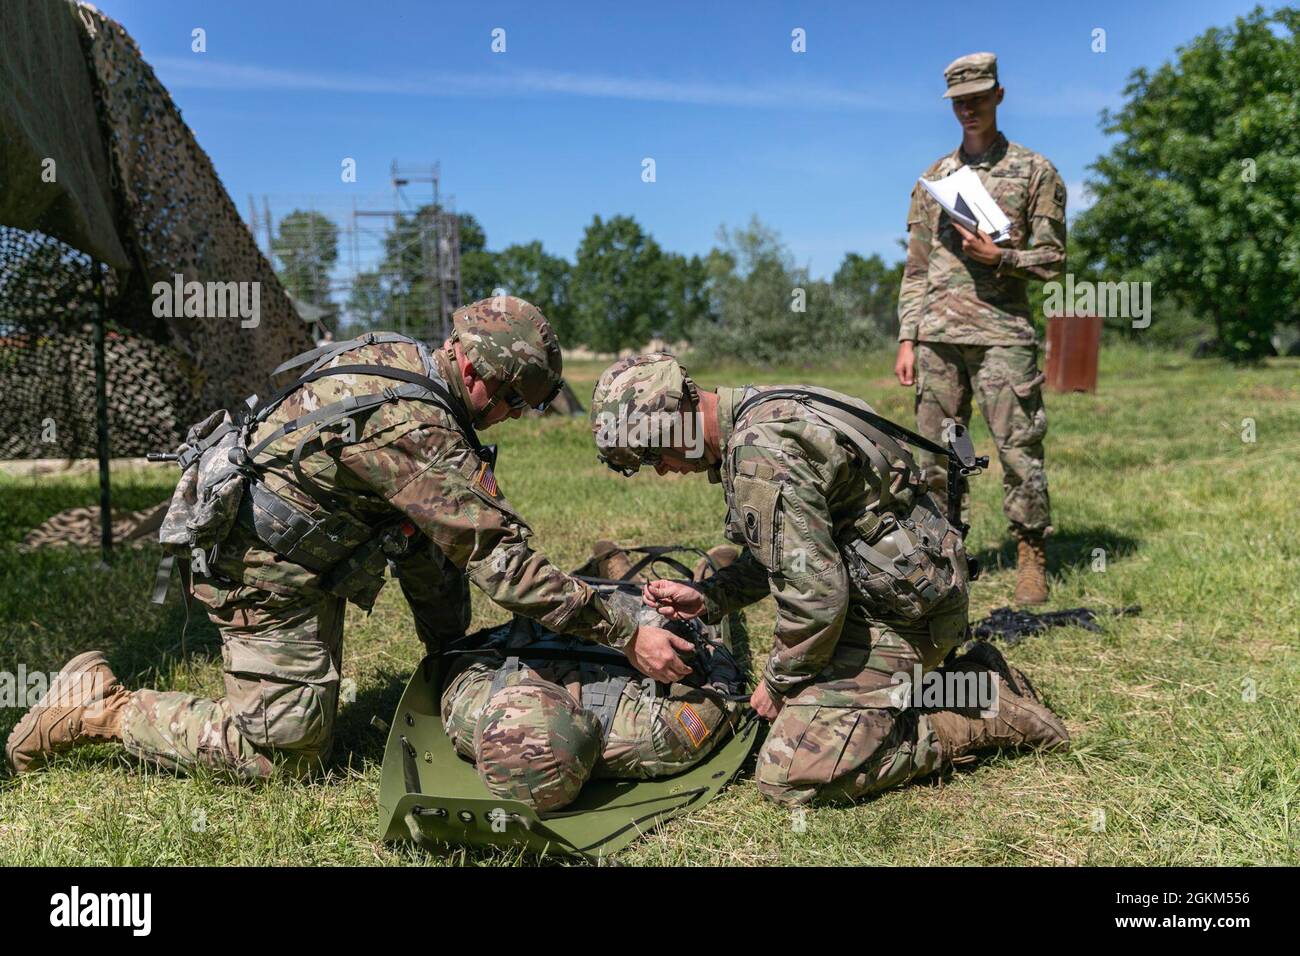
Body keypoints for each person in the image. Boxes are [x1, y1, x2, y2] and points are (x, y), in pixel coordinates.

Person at [7, 297, 687, 779]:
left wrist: (451, 656)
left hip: (312, 546)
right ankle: (99, 708)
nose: (511, 418)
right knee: (280, 756)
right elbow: (496, 560)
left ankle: (442, 662)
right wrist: (626, 632)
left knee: (431, 549)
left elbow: (434, 543)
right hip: (264, 573)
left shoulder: (409, 363)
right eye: (513, 402)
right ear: (478, 374)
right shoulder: (414, 425)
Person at [589, 354, 1068, 805]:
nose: (664, 470)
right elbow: (791, 553)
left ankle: (980, 711)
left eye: (655, 454)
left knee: (789, 769)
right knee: (804, 712)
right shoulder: (767, 405)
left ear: (677, 421)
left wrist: (778, 683)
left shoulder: (762, 452)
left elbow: (816, 598)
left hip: (903, 620)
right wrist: (711, 596)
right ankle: (957, 683)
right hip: (892, 599)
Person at [894, 52, 1066, 604]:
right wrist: (907, 336)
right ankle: (945, 555)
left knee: (1017, 448)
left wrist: (1002, 258)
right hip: (938, 338)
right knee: (938, 456)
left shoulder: (1035, 170)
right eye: (958, 101)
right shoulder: (934, 181)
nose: (968, 108)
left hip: (1002, 335)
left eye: (978, 97)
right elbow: (916, 266)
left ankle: (1030, 554)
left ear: (999, 96)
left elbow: (1054, 258)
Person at [440, 546, 745, 812]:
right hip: (647, 625)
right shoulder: (645, 736)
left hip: (580, 615)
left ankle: (607, 561)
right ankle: (709, 572)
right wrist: (701, 652)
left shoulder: (470, 712)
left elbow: (466, 663)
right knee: (692, 607)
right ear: (584, 730)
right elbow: (721, 699)